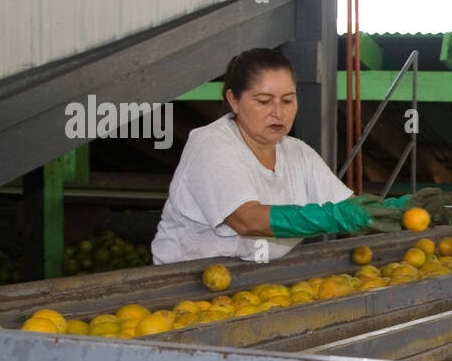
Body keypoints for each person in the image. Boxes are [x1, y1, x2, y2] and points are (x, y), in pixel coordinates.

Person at [151, 48, 411, 264]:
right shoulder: (211, 145)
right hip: (186, 284)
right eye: (264, 101)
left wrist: (402, 211)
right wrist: (330, 217)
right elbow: (246, 219)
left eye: (287, 101)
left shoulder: (297, 153)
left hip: (259, 281)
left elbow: (351, 208)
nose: (278, 113)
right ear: (233, 101)